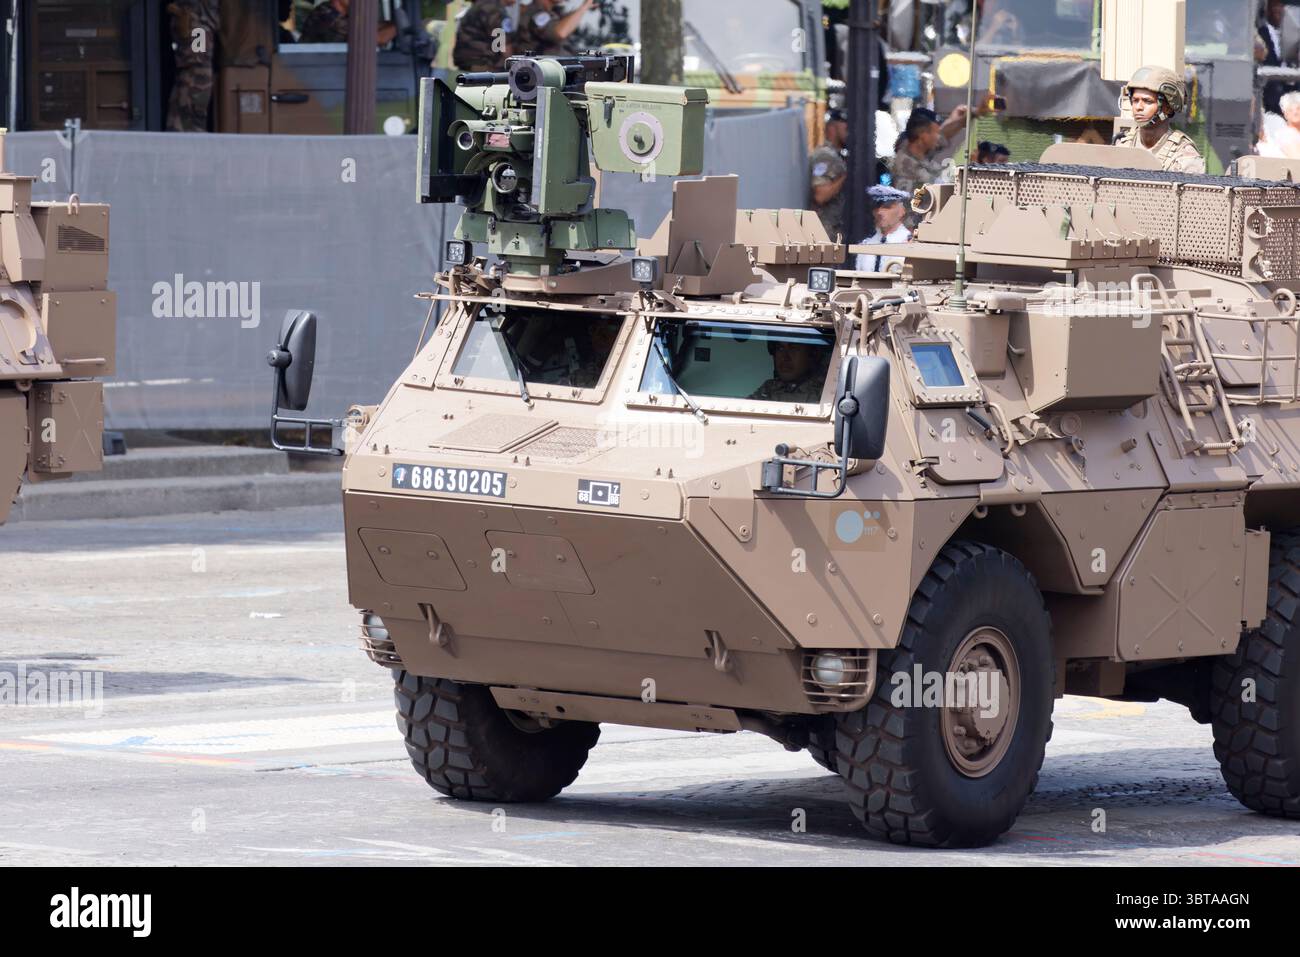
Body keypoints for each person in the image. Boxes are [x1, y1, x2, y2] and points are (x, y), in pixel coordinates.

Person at [1113, 65, 1205, 174]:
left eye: (1148, 101)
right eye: (1135, 100)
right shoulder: (1122, 146)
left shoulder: (1184, 156)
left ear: (1168, 108)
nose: (1138, 107)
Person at [890, 105, 969, 203]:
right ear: (923, 135)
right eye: (936, 133)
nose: (938, 137)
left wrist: (957, 120)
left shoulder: (918, 149)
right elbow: (937, 190)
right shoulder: (906, 166)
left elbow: (944, 135)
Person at [165, 0, 220, 132]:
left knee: (191, 114)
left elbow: (198, 57)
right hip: (190, 66)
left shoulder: (199, 31)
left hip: (196, 65)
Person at [809, 108, 850, 241]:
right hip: (824, 232)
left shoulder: (837, 156)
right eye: (845, 125)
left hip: (834, 230)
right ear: (832, 127)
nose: (849, 130)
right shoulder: (825, 156)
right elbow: (821, 195)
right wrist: (845, 177)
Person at [854, 185, 912, 274]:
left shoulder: (909, 244)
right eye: (876, 207)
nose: (879, 212)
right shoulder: (866, 244)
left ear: (902, 210)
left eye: (887, 207)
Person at [748, 341, 827, 404]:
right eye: (780, 348)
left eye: (793, 348)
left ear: (812, 354)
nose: (785, 358)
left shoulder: (825, 391)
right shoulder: (770, 388)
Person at [1257, 0, 1298, 115]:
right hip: (1271, 101)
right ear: (1267, 8)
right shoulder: (1261, 34)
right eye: (1275, 5)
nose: (1278, 9)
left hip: (1293, 95)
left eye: (1282, 5)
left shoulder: (1295, 35)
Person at [512, 0, 594, 57]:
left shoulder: (554, 13)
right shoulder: (535, 13)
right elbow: (559, 33)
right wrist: (585, 6)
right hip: (544, 75)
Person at [454, 0, 515, 73]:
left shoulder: (484, 3)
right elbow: (504, 44)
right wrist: (515, 66)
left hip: (469, 61)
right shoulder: (495, 10)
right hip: (481, 63)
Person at [300, 0, 398, 45]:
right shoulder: (326, 14)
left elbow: (373, 26)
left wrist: (396, 23)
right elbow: (377, 39)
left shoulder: (346, 16)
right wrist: (400, 26)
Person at [1260, 90, 1300, 159]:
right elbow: (1296, 158)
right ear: (1285, 114)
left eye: (1298, 109)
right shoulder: (1285, 135)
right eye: (1290, 110)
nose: (1295, 112)